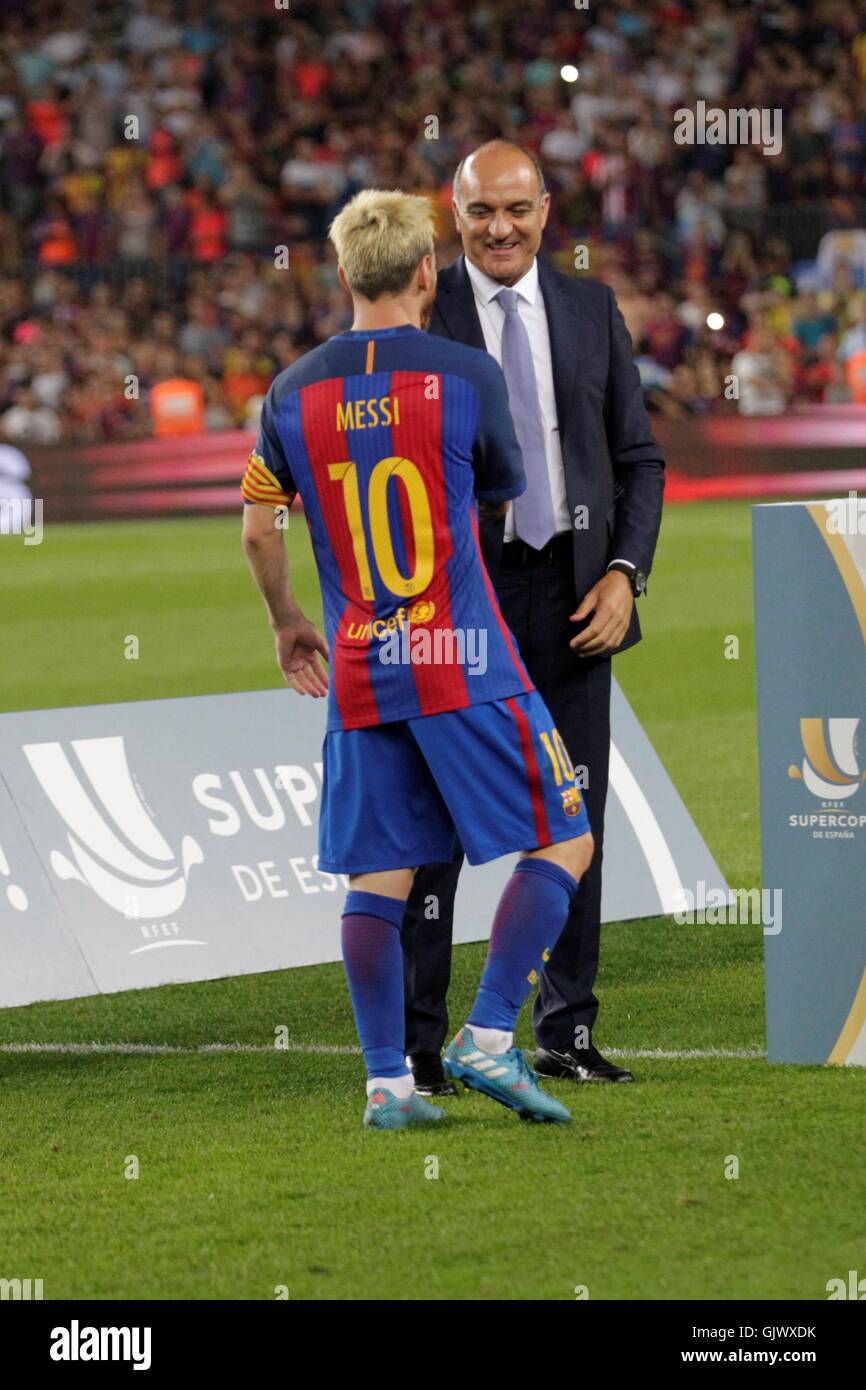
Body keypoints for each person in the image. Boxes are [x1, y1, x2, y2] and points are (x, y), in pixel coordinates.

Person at [241, 188, 594, 1130]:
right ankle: (485, 1036)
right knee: (566, 832)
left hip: (358, 662)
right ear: (426, 272)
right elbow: (504, 495)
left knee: (380, 874)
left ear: (345, 273)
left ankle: (387, 1083)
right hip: (461, 656)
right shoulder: (464, 372)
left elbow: (258, 532)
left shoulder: (288, 391)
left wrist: (287, 624)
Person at [401, 141, 665, 1096]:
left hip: (576, 596)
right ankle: (422, 1049)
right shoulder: (422, 314)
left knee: (575, 815)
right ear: (454, 215)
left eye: (517, 209)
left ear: (547, 210)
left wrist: (626, 572)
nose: (500, 228)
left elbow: (639, 458)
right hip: (462, 603)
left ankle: (567, 1030)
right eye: (481, 213)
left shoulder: (591, 309)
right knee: (433, 823)